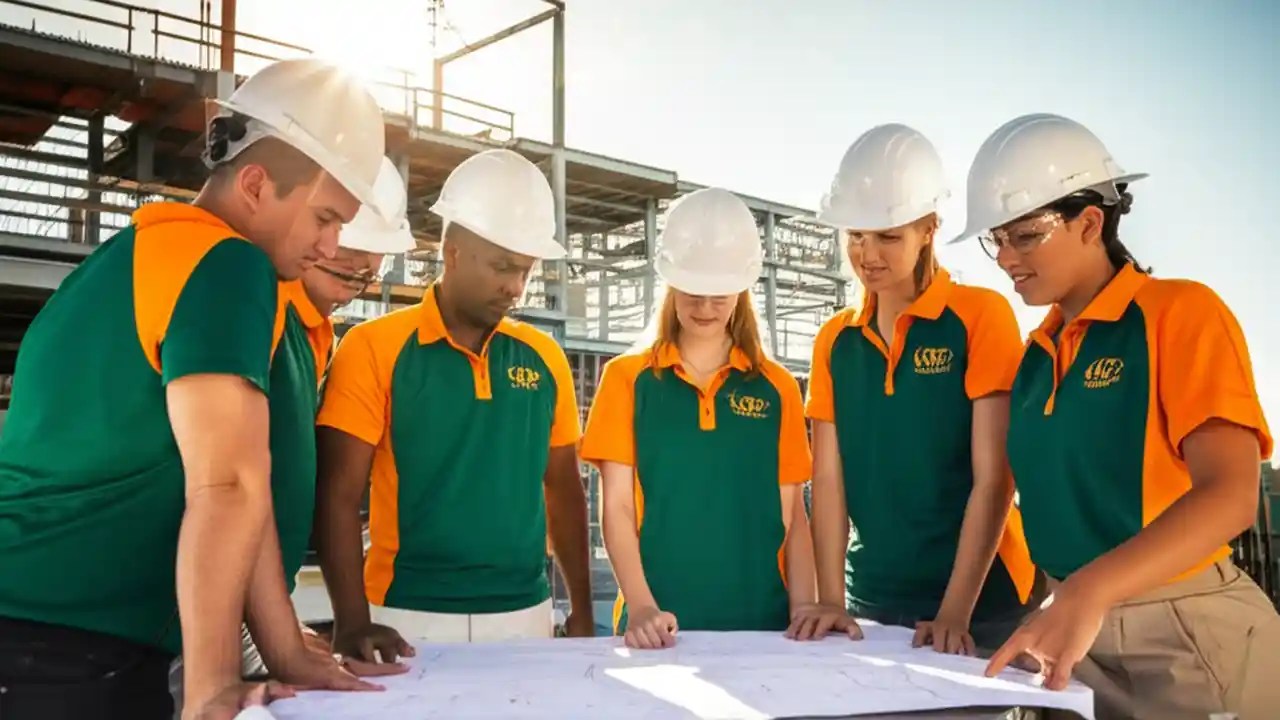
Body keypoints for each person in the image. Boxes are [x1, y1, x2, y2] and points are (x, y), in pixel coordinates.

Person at [0, 57, 390, 720]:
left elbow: (248, 489)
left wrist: (285, 651)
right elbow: (226, 486)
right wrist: (211, 688)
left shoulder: (125, 262)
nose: (330, 246)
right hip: (70, 652)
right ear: (257, 184)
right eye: (324, 218)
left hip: (38, 635)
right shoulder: (228, 265)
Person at [953, 112, 1280, 718]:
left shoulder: (1180, 314)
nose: (1004, 258)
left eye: (1024, 236)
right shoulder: (1032, 362)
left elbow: (1232, 495)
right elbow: (1001, 493)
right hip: (1069, 636)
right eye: (995, 239)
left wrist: (1089, 592)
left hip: (1184, 636)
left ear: (1091, 223)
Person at [315, 148, 594, 661]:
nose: (515, 286)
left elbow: (564, 491)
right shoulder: (372, 347)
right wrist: (351, 622)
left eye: (526, 270)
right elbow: (336, 493)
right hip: (404, 616)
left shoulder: (546, 358)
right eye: (502, 266)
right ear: (453, 251)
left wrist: (582, 611)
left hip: (525, 616)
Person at [167, 156, 419, 715]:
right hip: (179, 623)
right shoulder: (259, 300)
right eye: (348, 261)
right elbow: (230, 484)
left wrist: (276, 632)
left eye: (369, 272)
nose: (356, 280)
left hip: (236, 612)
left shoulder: (314, 331)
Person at [787, 124, 1038, 655]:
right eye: (855, 234)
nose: (867, 253)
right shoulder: (835, 340)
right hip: (871, 599)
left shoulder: (979, 317)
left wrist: (954, 613)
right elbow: (828, 481)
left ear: (929, 228)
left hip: (983, 602)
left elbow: (994, 479)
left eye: (888, 236)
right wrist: (831, 599)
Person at [580, 187, 816, 648]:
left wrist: (805, 606)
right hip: (661, 631)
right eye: (692, 292)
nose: (705, 308)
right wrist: (642, 606)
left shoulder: (778, 388)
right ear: (670, 280)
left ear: (743, 289)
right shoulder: (627, 380)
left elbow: (794, 520)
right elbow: (619, 509)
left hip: (766, 629)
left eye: (719, 295)